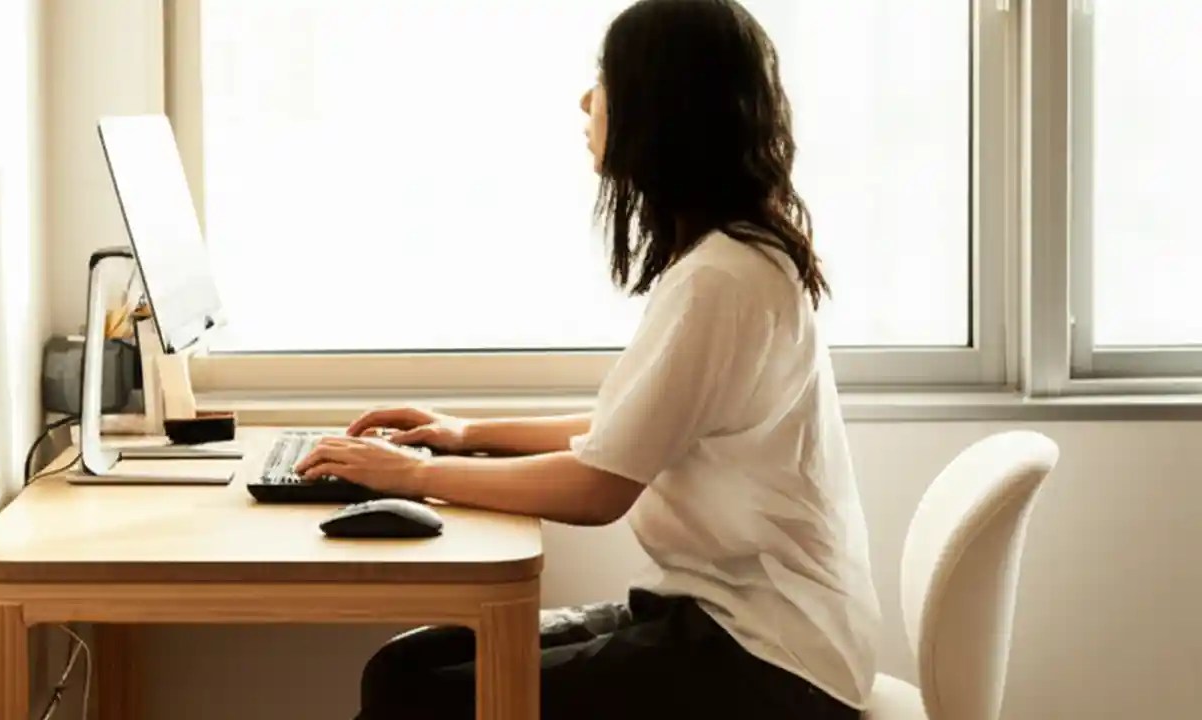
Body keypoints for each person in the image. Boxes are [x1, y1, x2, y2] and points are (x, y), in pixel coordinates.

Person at [295, 0, 881, 717]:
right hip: (722, 624)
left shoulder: (722, 279)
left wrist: (417, 475)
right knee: (402, 669)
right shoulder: (727, 258)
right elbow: (625, 429)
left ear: (662, 105)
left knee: (423, 697)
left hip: (770, 663)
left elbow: (598, 488)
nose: (585, 99)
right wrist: (465, 434)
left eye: (604, 79)